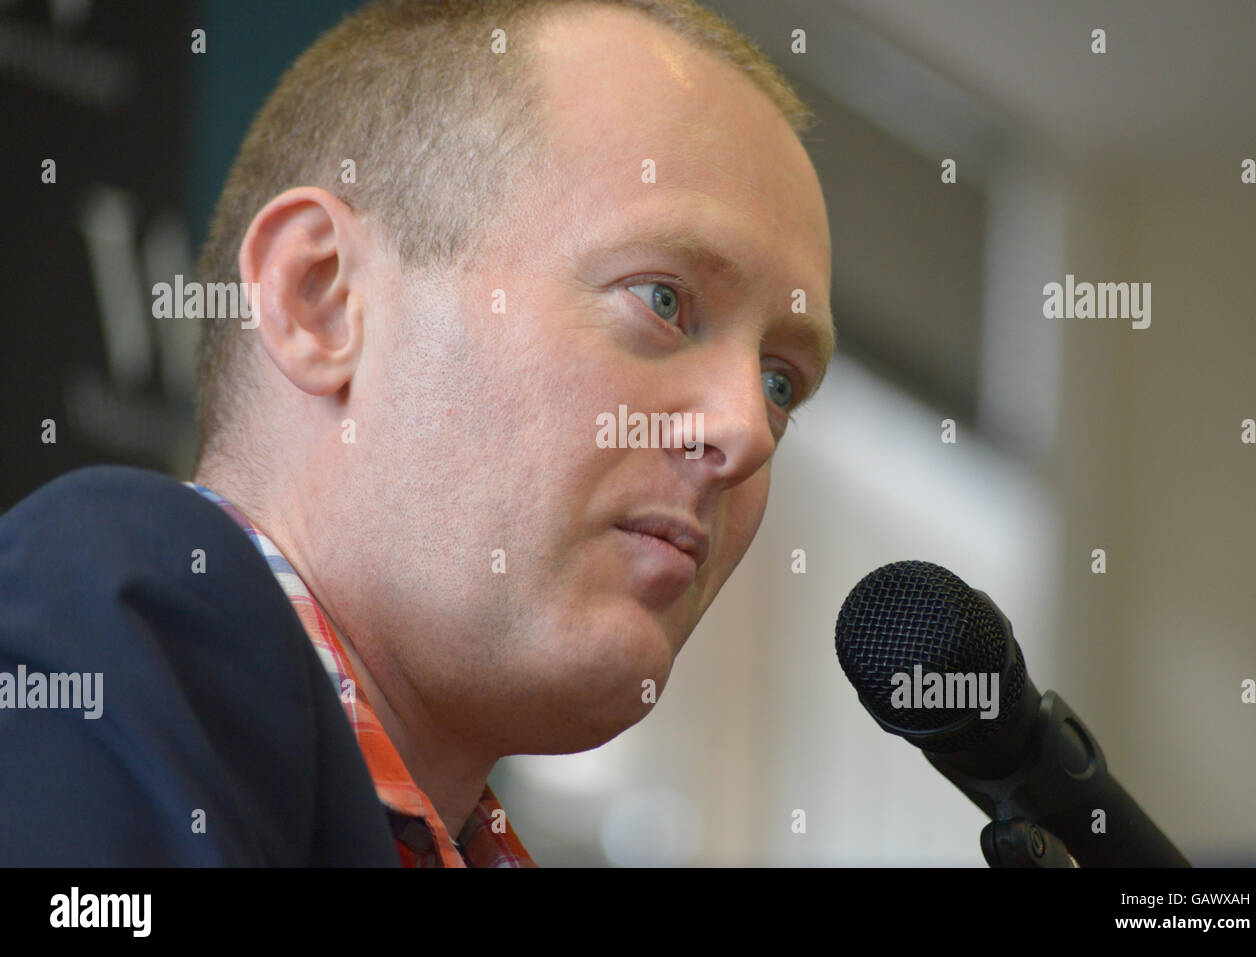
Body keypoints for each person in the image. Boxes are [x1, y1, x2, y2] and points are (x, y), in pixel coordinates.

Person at [0, 0, 834, 866]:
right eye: (662, 299)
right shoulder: (91, 644)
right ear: (320, 297)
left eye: (782, 382)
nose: (747, 431)